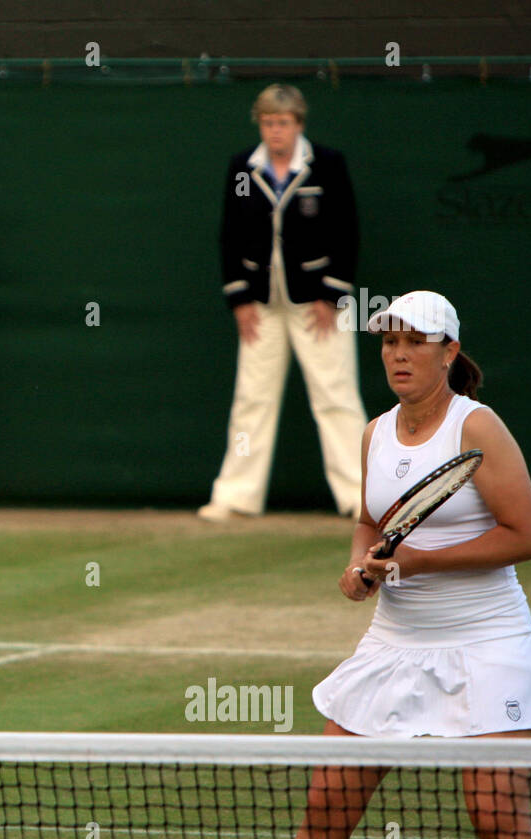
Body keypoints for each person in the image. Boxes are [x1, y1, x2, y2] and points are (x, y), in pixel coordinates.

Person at [281, 290, 531, 839]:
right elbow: (369, 519)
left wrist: (421, 560)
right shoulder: (375, 433)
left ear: (449, 352)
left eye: (416, 342)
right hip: (394, 641)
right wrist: (360, 565)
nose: (399, 355)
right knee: (326, 808)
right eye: (389, 342)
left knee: (497, 819)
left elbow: (527, 537)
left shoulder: (477, 425)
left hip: (486, 641)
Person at [201, 83, 366, 522]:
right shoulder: (243, 168)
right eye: (269, 122)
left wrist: (331, 294)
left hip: (318, 304)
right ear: (260, 123)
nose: (276, 131)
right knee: (251, 399)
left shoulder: (327, 165)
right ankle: (236, 495)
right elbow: (230, 232)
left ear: (299, 124)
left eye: (284, 123)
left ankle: (359, 497)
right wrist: (239, 298)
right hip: (262, 304)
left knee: (336, 397)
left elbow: (346, 231)